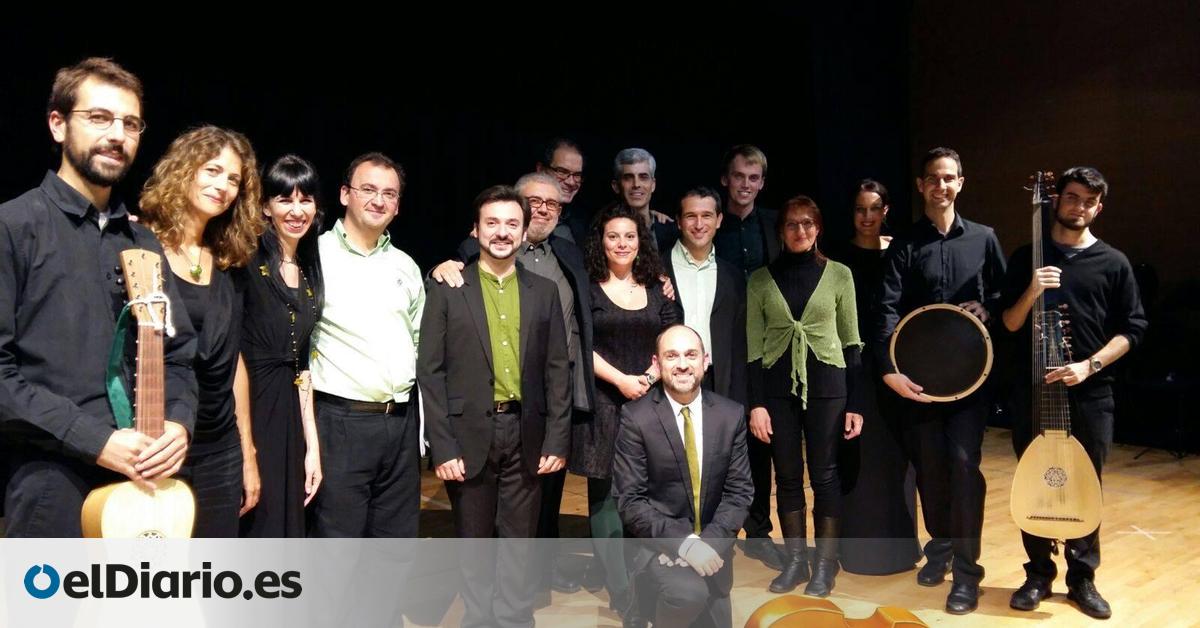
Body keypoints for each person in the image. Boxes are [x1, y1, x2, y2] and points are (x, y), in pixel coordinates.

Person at [0, 57, 197, 537]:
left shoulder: (143, 243)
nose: (117, 134)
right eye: (99, 117)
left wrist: (178, 424)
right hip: (51, 481)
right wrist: (95, 439)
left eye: (130, 123)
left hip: (145, 481)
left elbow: (179, 356)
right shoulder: (13, 227)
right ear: (58, 125)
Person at [419, 185, 572, 627]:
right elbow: (431, 371)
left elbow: (557, 370)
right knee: (474, 543)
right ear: (476, 229)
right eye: (492, 223)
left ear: (524, 232)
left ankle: (514, 619)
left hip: (526, 433)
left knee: (520, 544)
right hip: (467, 436)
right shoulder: (449, 287)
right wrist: (442, 446)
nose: (502, 232)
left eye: (511, 224)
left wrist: (557, 438)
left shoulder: (544, 291)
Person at [1000, 166, 1147, 620]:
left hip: (1091, 393)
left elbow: (1133, 328)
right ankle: (1038, 574)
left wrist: (1090, 365)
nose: (1079, 206)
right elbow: (1008, 323)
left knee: (1085, 484)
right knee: (1035, 481)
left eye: (1089, 200)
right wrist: (1032, 289)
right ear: (1057, 199)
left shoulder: (1113, 262)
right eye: (1072, 197)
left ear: (1098, 208)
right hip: (1034, 392)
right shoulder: (1027, 257)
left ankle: (1082, 577)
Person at [875, 147, 1007, 614]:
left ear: (960, 183)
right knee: (930, 471)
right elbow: (886, 308)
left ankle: (968, 573)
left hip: (971, 383)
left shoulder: (985, 238)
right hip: (919, 383)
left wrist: (988, 305)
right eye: (933, 178)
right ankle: (942, 544)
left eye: (949, 177)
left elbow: (1004, 294)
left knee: (964, 468)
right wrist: (888, 370)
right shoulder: (905, 244)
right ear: (921, 185)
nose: (941, 185)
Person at [139, 125, 263, 537]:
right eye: (212, 170)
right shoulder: (140, 245)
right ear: (184, 169)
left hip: (218, 448)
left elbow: (233, 361)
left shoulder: (229, 260)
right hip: (155, 445)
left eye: (234, 180)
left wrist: (246, 451)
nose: (223, 186)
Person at [746, 196, 864, 597]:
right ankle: (796, 560)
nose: (800, 231)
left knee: (825, 473)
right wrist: (757, 404)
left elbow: (852, 343)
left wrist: (855, 404)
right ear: (781, 230)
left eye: (808, 224)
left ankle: (825, 565)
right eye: (792, 224)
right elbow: (754, 350)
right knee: (787, 475)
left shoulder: (840, 275)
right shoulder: (760, 280)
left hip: (829, 387)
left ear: (818, 228)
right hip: (777, 389)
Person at [569, 203, 681, 615]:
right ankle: (620, 590)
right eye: (613, 236)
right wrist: (621, 380)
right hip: (603, 402)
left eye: (629, 236)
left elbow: (672, 338)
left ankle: (644, 578)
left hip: (651, 402)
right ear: (601, 241)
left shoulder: (658, 287)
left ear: (640, 242)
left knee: (646, 494)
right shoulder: (587, 288)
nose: (621, 243)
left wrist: (647, 380)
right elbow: (579, 343)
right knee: (606, 498)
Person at [309, 152, 424, 537]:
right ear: (345, 194)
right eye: (368, 190)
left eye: (389, 194)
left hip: (400, 422)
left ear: (398, 205)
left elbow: (419, 341)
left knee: (395, 545)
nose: (379, 200)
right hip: (340, 422)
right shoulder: (314, 255)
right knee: (337, 546)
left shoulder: (406, 266)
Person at [613, 324, 753, 628]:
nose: (682, 364)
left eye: (691, 355)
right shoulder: (636, 418)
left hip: (712, 550)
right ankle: (644, 607)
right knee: (688, 594)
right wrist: (683, 544)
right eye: (671, 356)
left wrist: (704, 546)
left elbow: (739, 493)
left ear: (705, 360)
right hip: (659, 548)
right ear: (657, 363)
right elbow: (630, 502)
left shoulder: (730, 415)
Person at [238, 154, 325, 537]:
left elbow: (301, 365)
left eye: (305, 200)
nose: (296, 210)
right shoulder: (245, 260)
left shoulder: (308, 267)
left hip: (290, 416)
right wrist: (245, 447)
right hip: (250, 411)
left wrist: (312, 447)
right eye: (284, 200)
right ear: (265, 207)